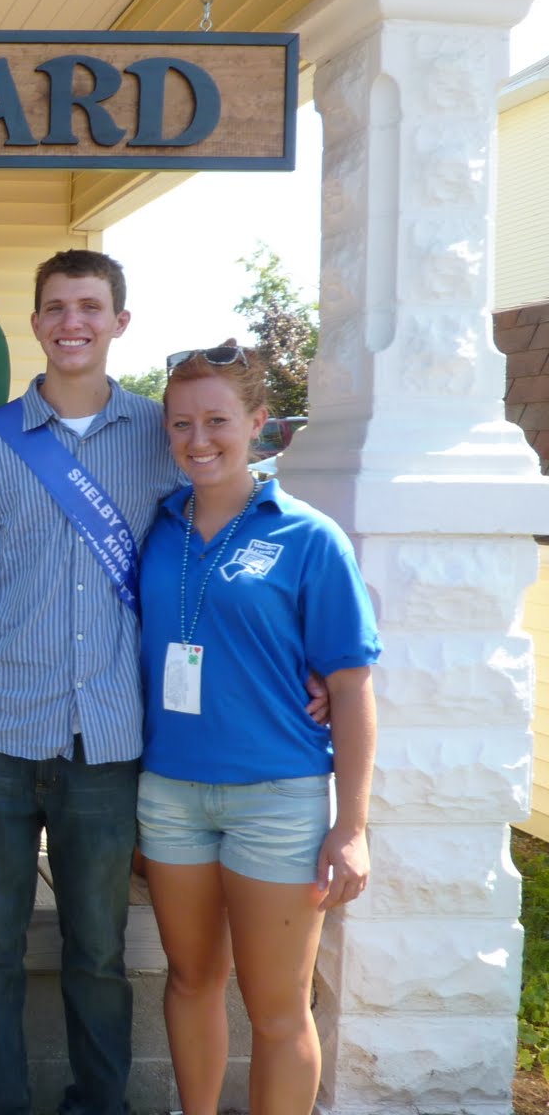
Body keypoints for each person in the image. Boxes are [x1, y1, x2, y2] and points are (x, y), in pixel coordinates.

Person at [0, 248, 180, 1115]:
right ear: (35, 322)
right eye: (56, 307)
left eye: (89, 306)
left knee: (98, 951)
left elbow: (213, 552)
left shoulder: (163, 435)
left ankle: (98, 1105)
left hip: (108, 735)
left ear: (119, 322)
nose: (72, 321)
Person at [136, 343, 378, 1115]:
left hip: (277, 800)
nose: (198, 440)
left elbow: (349, 686)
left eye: (217, 421)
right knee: (190, 979)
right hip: (170, 793)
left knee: (277, 1010)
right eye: (181, 424)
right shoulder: (157, 528)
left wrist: (352, 826)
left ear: (259, 423)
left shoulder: (309, 538)